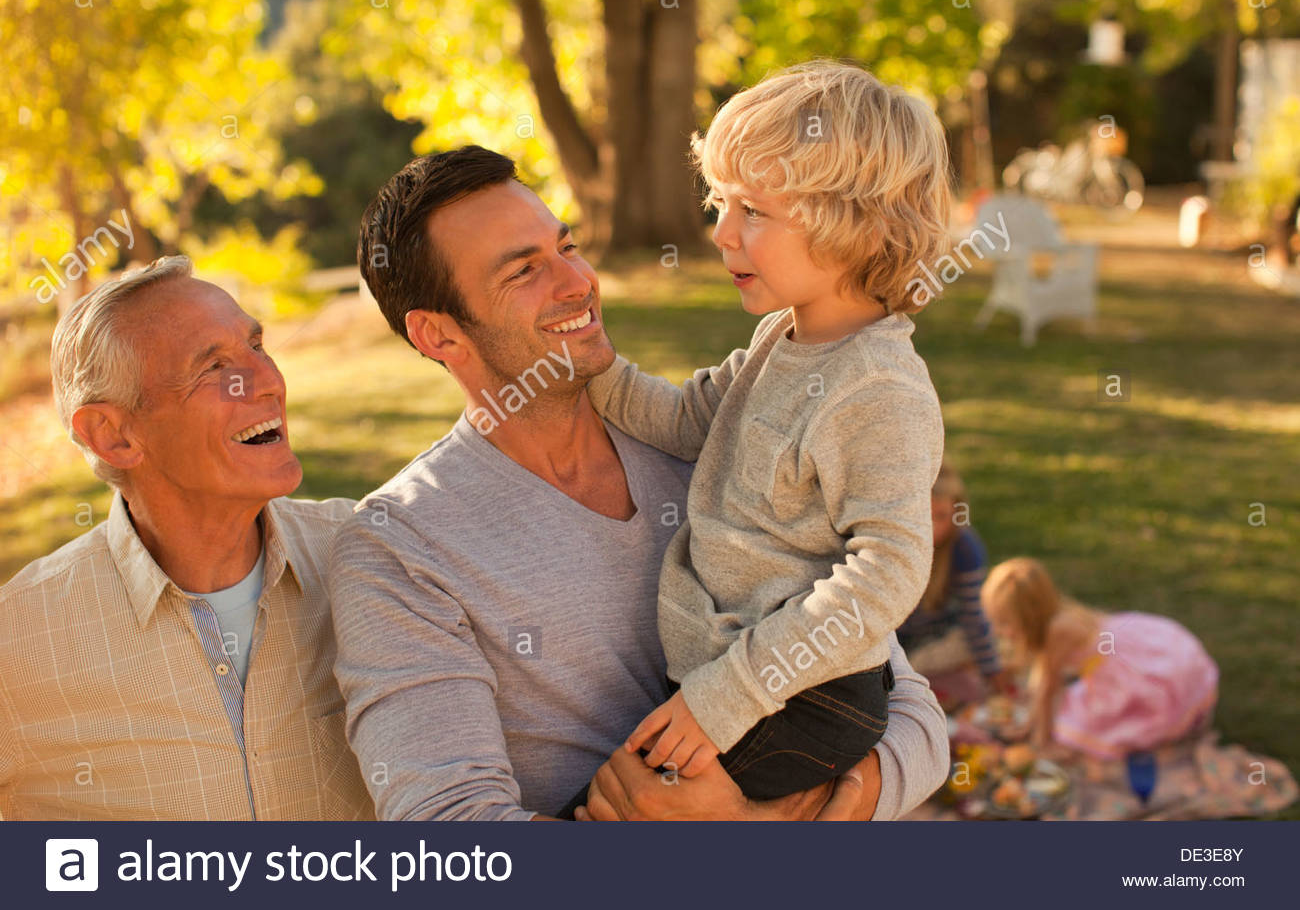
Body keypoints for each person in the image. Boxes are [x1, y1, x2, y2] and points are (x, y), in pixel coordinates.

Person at [329, 144, 950, 821]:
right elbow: (446, 829)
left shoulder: (725, 442)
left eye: (566, 247)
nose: (576, 282)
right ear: (438, 335)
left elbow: (909, 709)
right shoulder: (401, 545)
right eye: (525, 271)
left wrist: (758, 829)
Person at [577, 61, 947, 803]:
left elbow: (889, 573)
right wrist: (594, 367)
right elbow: (687, 420)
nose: (721, 233)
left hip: (804, 696)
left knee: (626, 814)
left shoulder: (879, 388)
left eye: (752, 210)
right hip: (742, 680)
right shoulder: (785, 338)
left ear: (853, 223)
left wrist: (730, 695)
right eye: (720, 202)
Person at [0, 257, 374, 820]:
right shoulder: (19, 640)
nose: (269, 381)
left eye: (257, 346)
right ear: (113, 435)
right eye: (214, 366)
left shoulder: (376, 558)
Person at [979, 557, 1219, 759]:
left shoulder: (1057, 630)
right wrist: (1030, 723)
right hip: (1121, 651)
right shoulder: (1054, 617)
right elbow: (1042, 681)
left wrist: (1042, 742)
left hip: (1130, 667)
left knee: (1073, 728)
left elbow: (1047, 689)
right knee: (1068, 711)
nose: (1000, 632)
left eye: (1004, 623)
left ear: (1028, 616)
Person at [896, 460, 1010, 693]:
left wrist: (992, 671)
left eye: (941, 516)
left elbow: (973, 613)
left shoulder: (964, 546)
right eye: (925, 514)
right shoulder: (896, 543)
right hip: (893, 639)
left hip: (938, 636)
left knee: (999, 638)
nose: (933, 526)